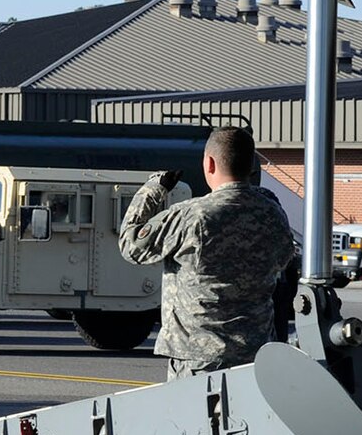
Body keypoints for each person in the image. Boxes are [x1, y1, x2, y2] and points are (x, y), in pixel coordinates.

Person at [119, 125, 297, 378]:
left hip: (198, 359)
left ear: (210, 164)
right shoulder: (272, 213)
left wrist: (153, 189)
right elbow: (284, 258)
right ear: (251, 166)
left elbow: (130, 246)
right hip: (256, 355)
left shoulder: (192, 216)